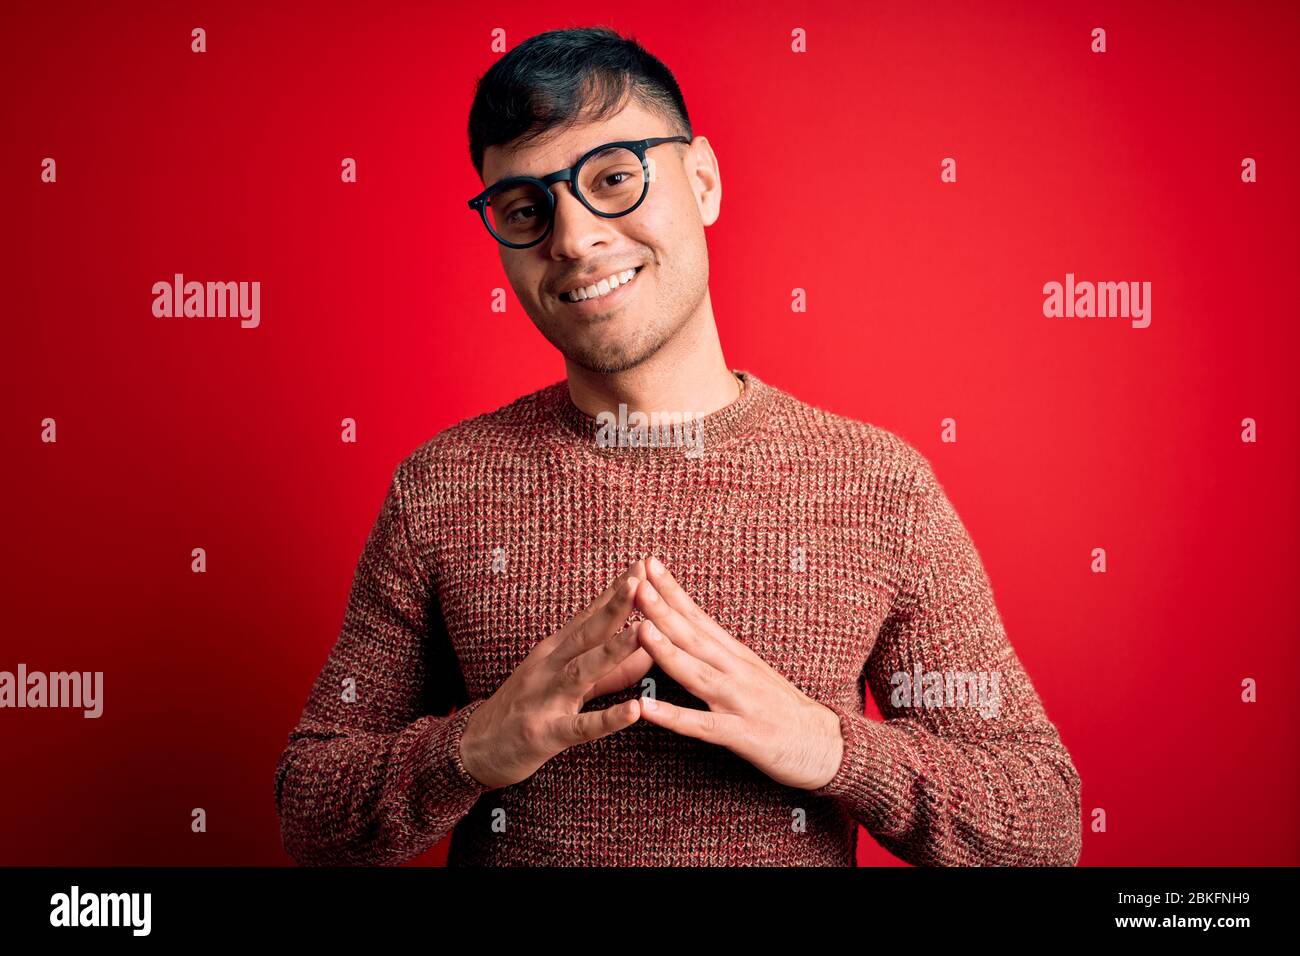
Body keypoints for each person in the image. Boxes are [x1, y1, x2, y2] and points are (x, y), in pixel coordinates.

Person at [273, 25, 1083, 867]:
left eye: (615, 178)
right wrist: (476, 746)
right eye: (526, 209)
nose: (575, 239)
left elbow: (1041, 822)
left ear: (702, 179)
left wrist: (831, 747)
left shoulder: (879, 486)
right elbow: (311, 810)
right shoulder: (441, 487)